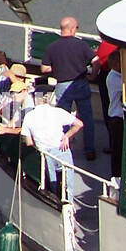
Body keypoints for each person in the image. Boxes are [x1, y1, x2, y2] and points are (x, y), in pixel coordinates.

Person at [2, 93, 84, 200]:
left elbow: (29, 143)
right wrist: (66, 136)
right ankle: (69, 203)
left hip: (46, 153)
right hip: (61, 149)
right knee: (68, 181)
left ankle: (55, 202)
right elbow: (79, 124)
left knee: (51, 183)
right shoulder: (57, 112)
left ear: (35, 101)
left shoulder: (29, 117)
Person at [39, 17, 98, 160]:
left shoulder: (52, 47)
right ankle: (89, 150)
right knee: (87, 118)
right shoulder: (81, 45)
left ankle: (63, 146)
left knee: (62, 118)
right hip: (81, 83)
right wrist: (93, 76)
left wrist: (57, 67)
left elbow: (44, 68)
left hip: (63, 86)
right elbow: (96, 61)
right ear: (72, 29)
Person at [103, 52, 124, 180]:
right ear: (116, 64)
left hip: (117, 118)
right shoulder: (115, 78)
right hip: (117, 119)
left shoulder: (115, 76)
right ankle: (116, 178)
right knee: (118, 152)